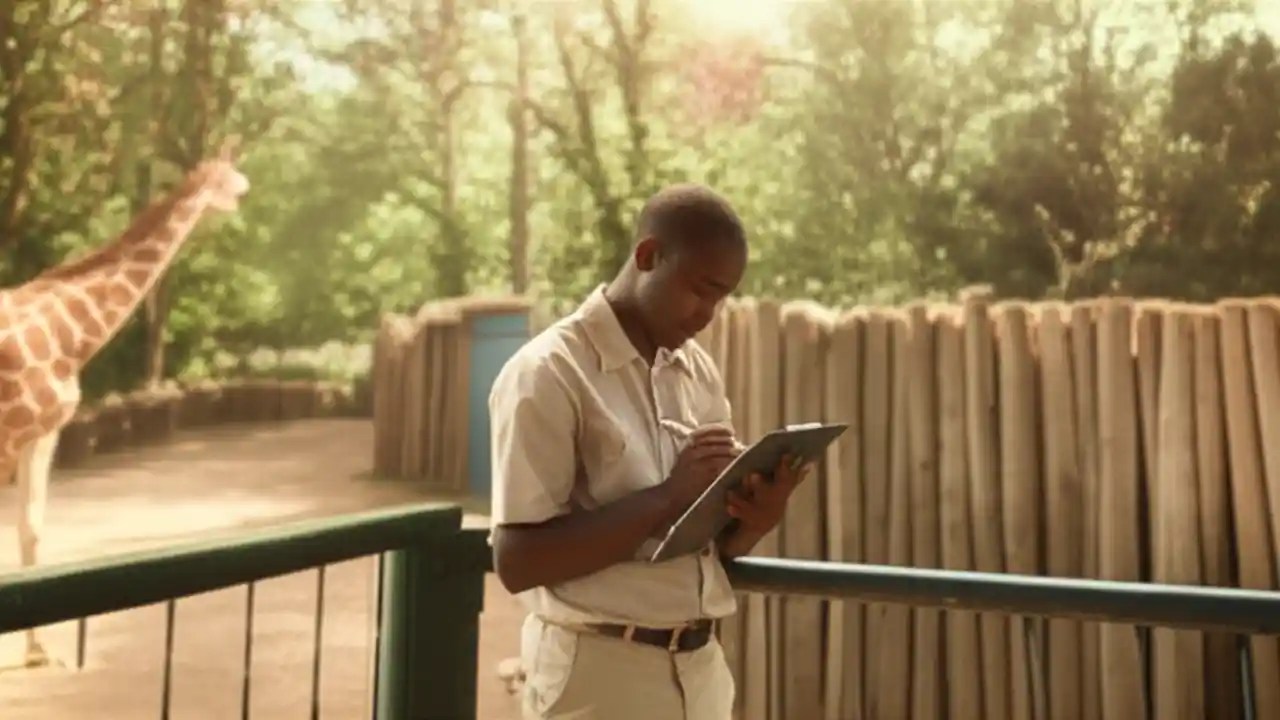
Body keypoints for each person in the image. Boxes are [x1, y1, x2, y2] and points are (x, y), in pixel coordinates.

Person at [487, 183, 813, 719]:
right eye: (700, 289)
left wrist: (757, 516)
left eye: (721, 297)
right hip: (598, 677)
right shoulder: (548, 373)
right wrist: (667, 497)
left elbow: (708, 547)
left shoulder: (695, 370)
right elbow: (518, 561)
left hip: (700, 669)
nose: (707, 313)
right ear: (646, 256)